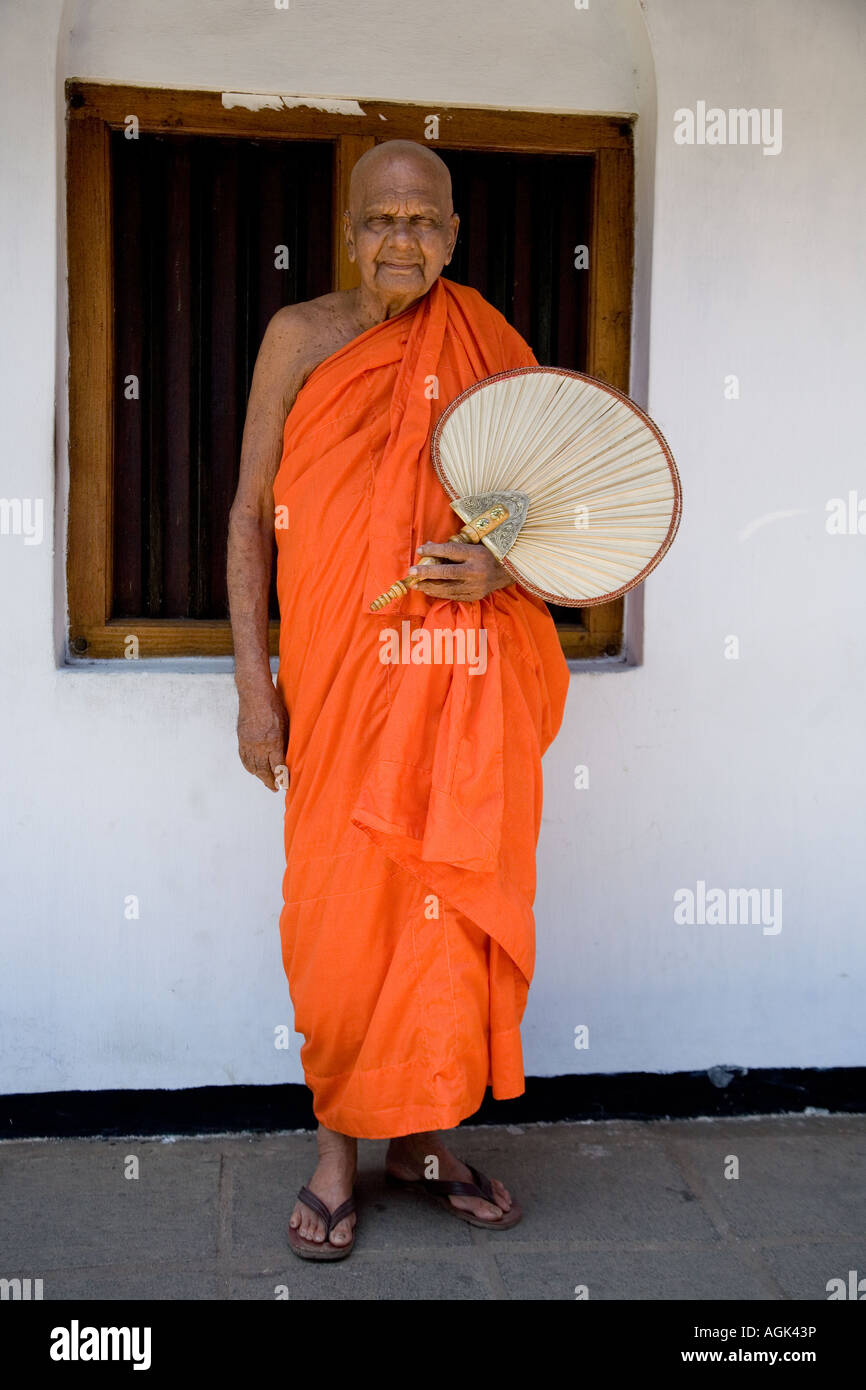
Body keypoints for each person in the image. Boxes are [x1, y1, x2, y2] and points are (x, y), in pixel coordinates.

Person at [227, 139, 569, 1259]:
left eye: (423, 221)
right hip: (331, 684)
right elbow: (246, 517)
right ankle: (337, 1148)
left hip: (454, 686)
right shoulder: (299, 338)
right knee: (337, 914)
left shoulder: (486, 344)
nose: (402, 240)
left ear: (454, 235)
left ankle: (420, 1138)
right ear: (348, 229)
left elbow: (550, 513)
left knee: (437, 903)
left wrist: (501, 571)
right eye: (381, 219)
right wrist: (251, 687)